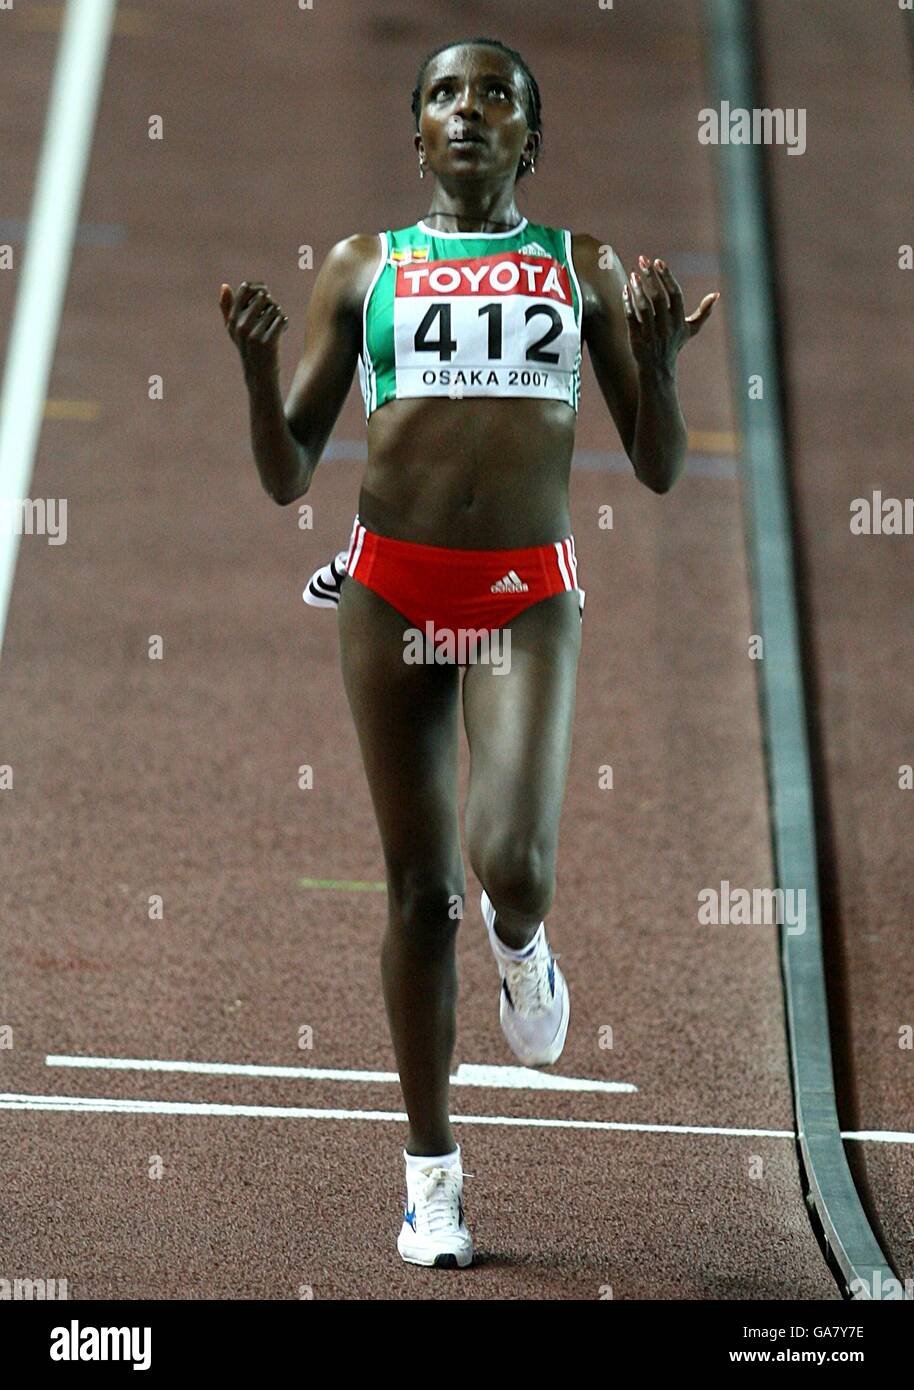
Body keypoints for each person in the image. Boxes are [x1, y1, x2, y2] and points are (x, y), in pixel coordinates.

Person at [219, 34, 719, 1271]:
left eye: (495, 95)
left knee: (512, 866)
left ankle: (527, 942)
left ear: (528, 138)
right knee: (417, 892)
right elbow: (289, 472)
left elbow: (656, 466)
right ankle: (430, 1180)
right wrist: (250, 368)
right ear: (416, 134)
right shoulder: (363, 268)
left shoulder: (580, 266)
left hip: (521, 593)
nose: (467, 110)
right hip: (389, 591)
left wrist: (654, 367)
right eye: (443, 93)